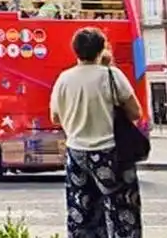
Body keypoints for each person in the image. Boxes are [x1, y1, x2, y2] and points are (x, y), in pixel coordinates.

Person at [49, 27, 143, 238]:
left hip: (76, 152)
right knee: (122, 208)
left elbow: (55, 117)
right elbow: (136, 112)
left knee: (81, 211)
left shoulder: (64, 79)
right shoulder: (111, 75)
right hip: (109, 152)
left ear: (76, 51)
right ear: (101, 49)